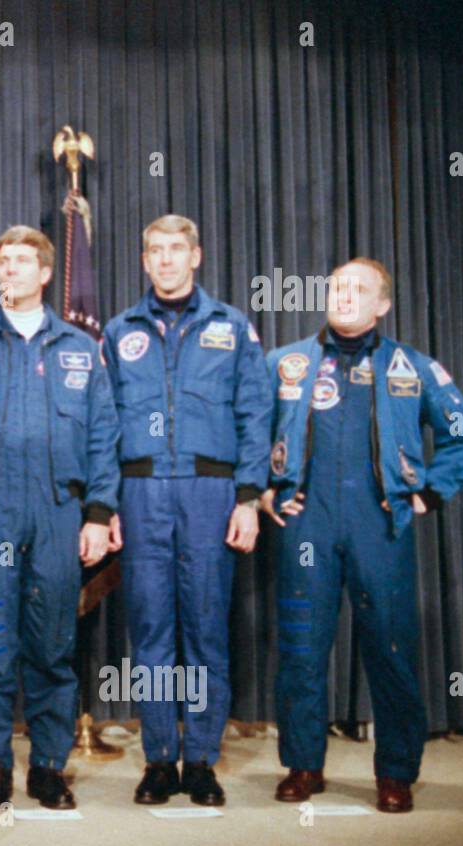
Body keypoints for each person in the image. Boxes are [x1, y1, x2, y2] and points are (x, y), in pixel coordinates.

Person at [261, 258, 463, 813]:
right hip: (305, 523)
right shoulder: (285, 364)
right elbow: (244, 432)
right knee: (302, 649)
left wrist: (429, 492)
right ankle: (304, 765)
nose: (344, 296)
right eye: (337, 287)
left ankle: (396, 772)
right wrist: (262, 491)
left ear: (382, 304)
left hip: (379, 524)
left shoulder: (413, 367)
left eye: (358, 289)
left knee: (391, 648)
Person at [0, 226, 119, 810]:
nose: (10, 270)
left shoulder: (78, 348)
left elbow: (103, 436)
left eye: (22, 261)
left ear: (46, 273)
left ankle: (48, 767)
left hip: (57, 515)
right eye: (3, 261)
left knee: (51, 649)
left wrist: (98, 515)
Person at [101, 214, 272, 806]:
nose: (167, 260)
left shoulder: (231, 327)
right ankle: (158, 761)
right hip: (141, 493)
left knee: (204, 631)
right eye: (156, 251)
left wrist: (249, 497)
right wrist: (104, 503)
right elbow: (103, 427)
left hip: (210, 493)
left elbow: (255, 416)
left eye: (177, 249)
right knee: (150, 632)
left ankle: (200, 759)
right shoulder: (119, 332)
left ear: (196, 256)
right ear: (145, 260)